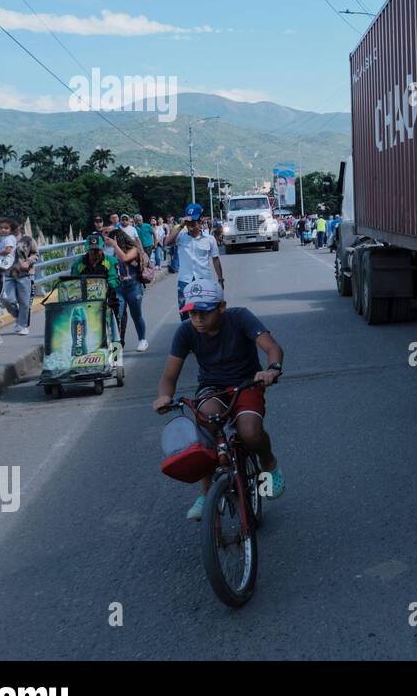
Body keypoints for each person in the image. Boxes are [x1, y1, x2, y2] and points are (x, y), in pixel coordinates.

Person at [152, 279, 286, 521]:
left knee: (250, 431)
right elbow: (169, 376)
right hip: (212, 388)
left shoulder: (240, 317)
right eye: (192, 313)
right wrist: (164, 396)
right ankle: (206, 495)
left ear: (222, 306)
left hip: (247, 383)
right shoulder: (185, 331)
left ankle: (268, 463)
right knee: (207, 429)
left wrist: (272, 369)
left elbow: (272, 347)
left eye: (204, 312)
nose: (197, 319)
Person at [164, 203, 223, 322]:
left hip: (203, 280)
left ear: (200, 221)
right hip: (185, 281)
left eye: (194, 221)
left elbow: (215, 259)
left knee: (204, 314)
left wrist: (220, 279)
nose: (191, 224)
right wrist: (180, 226)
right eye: (189, 221)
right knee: (185, 315)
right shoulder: (181, 236)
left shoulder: (209, 239)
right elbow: (167, 242)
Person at [109, 226, 150, 351]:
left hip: (133, 286)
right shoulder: (111, 251)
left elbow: (125, 258)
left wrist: (115, 246)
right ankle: (116, 346)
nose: (110, 242)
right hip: (119, 288)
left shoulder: (134, 249)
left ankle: (142, 340)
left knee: (136, 315)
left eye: (112, 239)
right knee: (117, 316)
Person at [2, 223, 38, 336]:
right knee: (6, 299)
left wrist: (28, 262)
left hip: (25, 275)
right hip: (8, 274)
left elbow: (36, 254)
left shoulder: (28, 240)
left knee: (24, 302)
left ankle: (22, 326)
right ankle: (19, 316)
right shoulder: (4, 240)